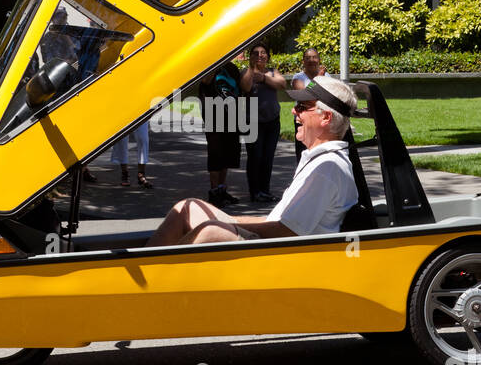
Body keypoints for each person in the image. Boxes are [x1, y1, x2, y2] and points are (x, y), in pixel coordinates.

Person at [148, 77, 358, 246]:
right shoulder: (321, 161)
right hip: (278, 242)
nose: (294, 111)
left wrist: (223, 224)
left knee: (210, 232)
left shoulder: (327, 168)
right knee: (188, 208)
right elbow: (280, 220)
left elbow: (286, 232)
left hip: (283, 257)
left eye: (303, 107)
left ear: (326, 118)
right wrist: (232, 221)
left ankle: (154, 287)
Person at [199, 53, 252, 206]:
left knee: (228, 156)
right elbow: (205, 80)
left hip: (232, 116)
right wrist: (216, 64)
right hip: (213, 116)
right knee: (216, 155)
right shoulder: (208, 66)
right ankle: (214, 192)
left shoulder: (232, 68)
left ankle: (222, 190)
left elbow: (242, 89)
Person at [244, 44, 285, 202]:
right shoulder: (246, 72)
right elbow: (245, 87)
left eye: (263, 53)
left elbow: (281, 84)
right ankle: (255, 192)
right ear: (250, 57)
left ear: (268, 56)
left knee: (268, 157)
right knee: (255, 157)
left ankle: (265, 191)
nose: (260, 56)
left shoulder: (273, 72)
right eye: (256, 53)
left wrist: (264, 78)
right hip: (252, 122)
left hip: (272, 121)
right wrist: (252, 69)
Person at [290, 48, 327, 162]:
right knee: (304, 156)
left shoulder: (327, 76)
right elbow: (305, 96)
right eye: (308, 58)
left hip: (322, 122)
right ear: (303, 61)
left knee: (321, 156)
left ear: (319, 60)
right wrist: (318, 79)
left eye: (314, 57)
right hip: (304, 122)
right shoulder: (298, 78)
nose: (311, 60)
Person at [111, 120, 152, 187]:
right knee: (122, 140)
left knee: (143, 139)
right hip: (122, 111)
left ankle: (141, 174)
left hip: (140, 111)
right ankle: (124, 174)